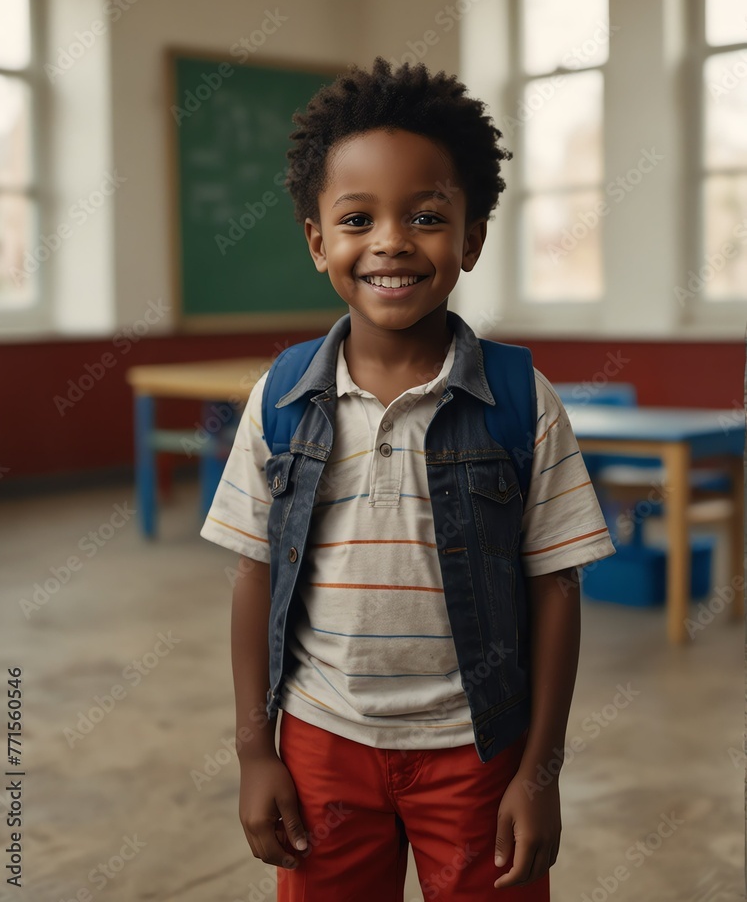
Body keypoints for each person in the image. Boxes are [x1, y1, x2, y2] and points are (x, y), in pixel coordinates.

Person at [201, 56, 616, 901]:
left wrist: (538, 771)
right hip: (321, 743)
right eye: (357, 218)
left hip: (478, 749)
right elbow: (253, 574)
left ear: (471, 237)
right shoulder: (281, 397)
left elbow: (555, 587)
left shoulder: (518, 399)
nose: (390, 240)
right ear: (317, 241)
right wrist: (254, 751)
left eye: (425, 216)